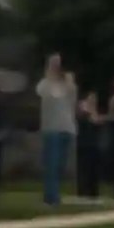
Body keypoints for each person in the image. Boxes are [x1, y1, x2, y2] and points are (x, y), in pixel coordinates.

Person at [35, 55, 77, 206]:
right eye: (53, 64)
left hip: (66, 128)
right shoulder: (44, 84)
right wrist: (50, 77)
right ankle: (52, 197)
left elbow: (72, 96)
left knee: (60, 164)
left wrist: (68, 81)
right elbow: (42, 92)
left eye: (58, 64)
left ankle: (52, 194)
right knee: (51, 164)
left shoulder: (67, 85)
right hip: (51, 129)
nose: (56, 67)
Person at [76, 91, 105, 200]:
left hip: (94, 145)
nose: (93, 101)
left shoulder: (95, 113)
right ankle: (83, 192)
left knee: (93, 169)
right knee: (84, 169)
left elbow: (99, 122)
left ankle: (93, 192)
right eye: (91, 99)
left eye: (94, 99)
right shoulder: (82, 112)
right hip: (83, 145)